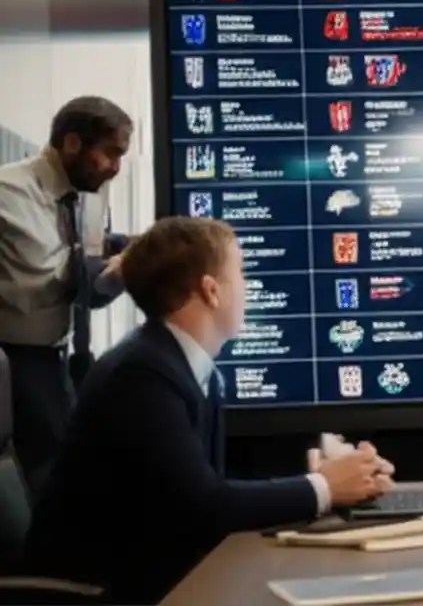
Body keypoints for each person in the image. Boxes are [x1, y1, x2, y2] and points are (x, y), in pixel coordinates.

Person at [24, 217, 395, 603]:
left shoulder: (182, 365)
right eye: (241, 274)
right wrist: (324, 487)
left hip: (160, 573)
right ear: (211, 290)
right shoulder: (141, 376)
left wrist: (318, 477)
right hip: (104, 591)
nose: (248, 289)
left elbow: (201, 488)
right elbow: (205, 509)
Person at [0, 96, 136, 496]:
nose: (115, 168)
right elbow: (48, 279)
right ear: (73, 143)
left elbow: (87, 258)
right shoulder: (10, 194)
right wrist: (131, 264)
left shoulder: (81, 195)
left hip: (63, 356)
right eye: (110, 153)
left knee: (71, 467)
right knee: (44, 480)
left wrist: (128, 247)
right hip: (18, 361)